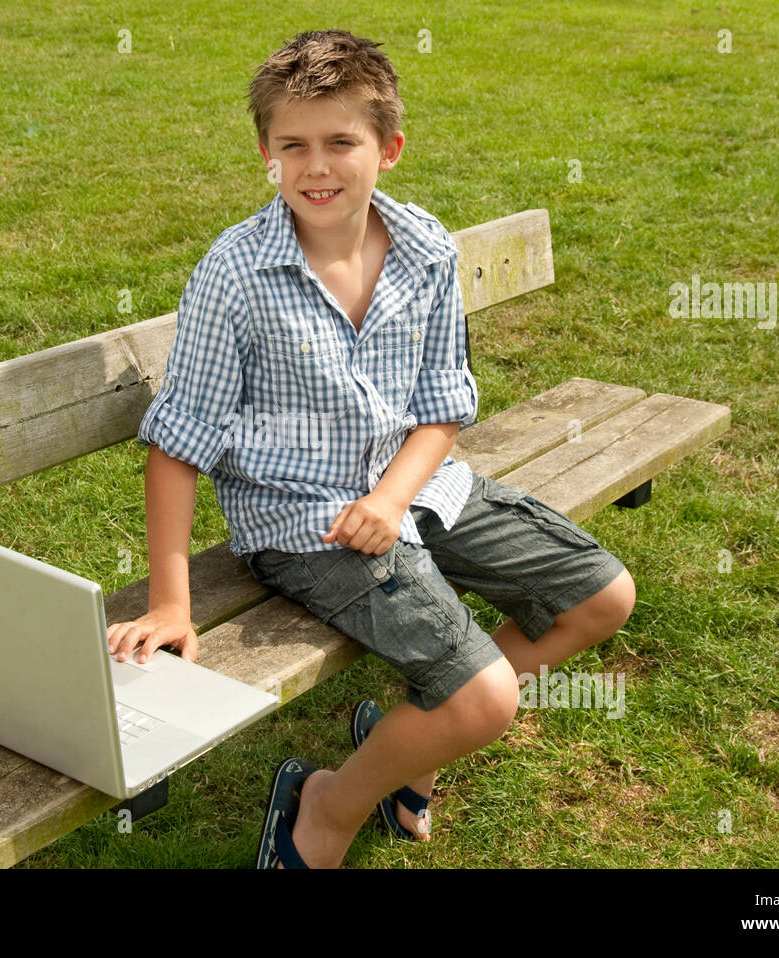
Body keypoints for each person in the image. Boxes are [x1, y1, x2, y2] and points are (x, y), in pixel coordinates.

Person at [105, 29, 636, 869]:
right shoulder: (236, 276)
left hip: (416, 488)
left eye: (340, 142)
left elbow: (440, 410)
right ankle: (324, 807)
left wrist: (393, 498)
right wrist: (174, 605)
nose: (317, 167)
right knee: (486, 699)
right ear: (267, 155)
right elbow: (177, 448)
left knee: (602, 597)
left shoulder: (424, 246)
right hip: (304, 524)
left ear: (387, 149)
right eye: (294, 146)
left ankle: (412, 745)